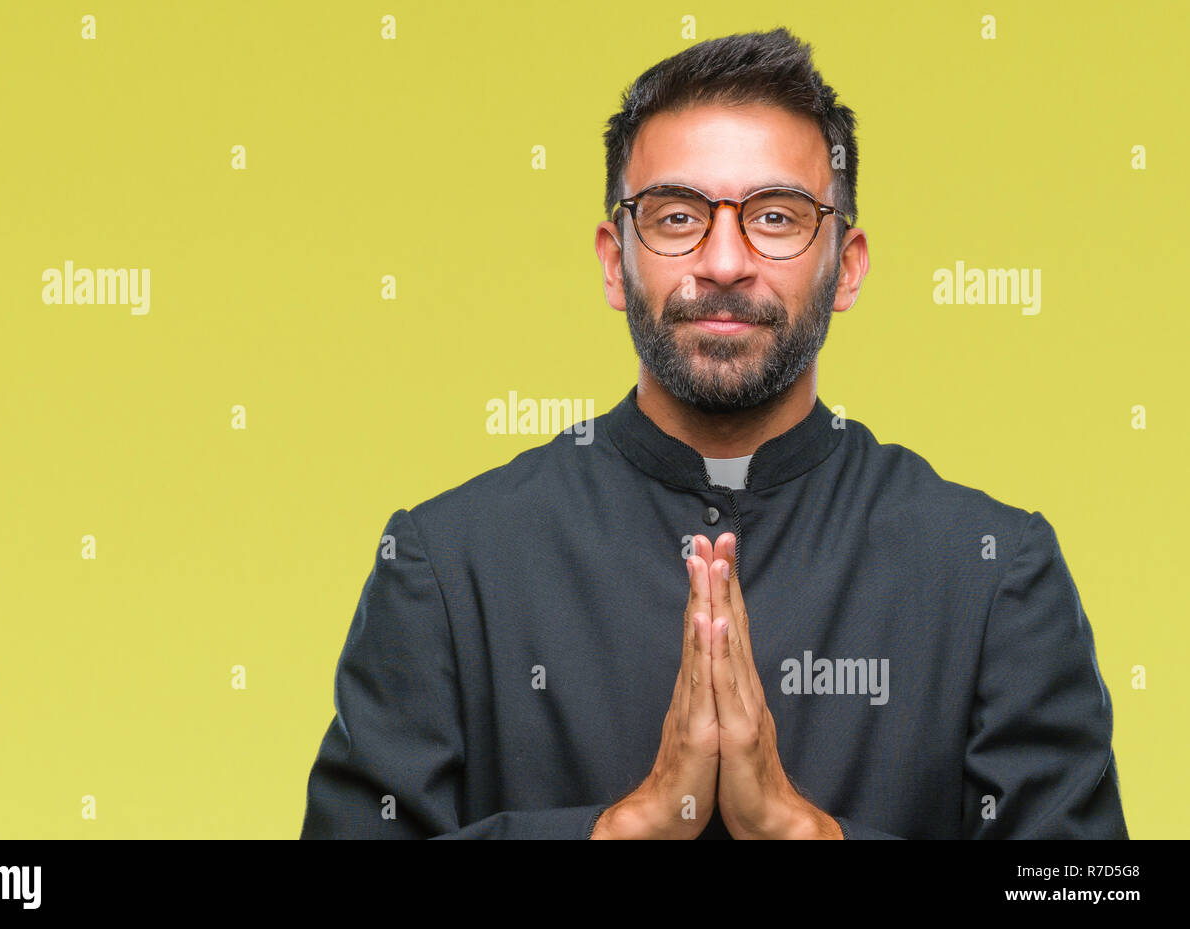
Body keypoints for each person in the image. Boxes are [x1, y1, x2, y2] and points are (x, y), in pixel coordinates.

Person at [299, 28, 1127, 839]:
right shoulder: (446, 566)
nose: (724, 260)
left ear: (847, 265)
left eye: (775, 216)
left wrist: (803, 833)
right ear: (614, 262)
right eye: (675, 216)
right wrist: (626, 829)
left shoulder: (994, 575)